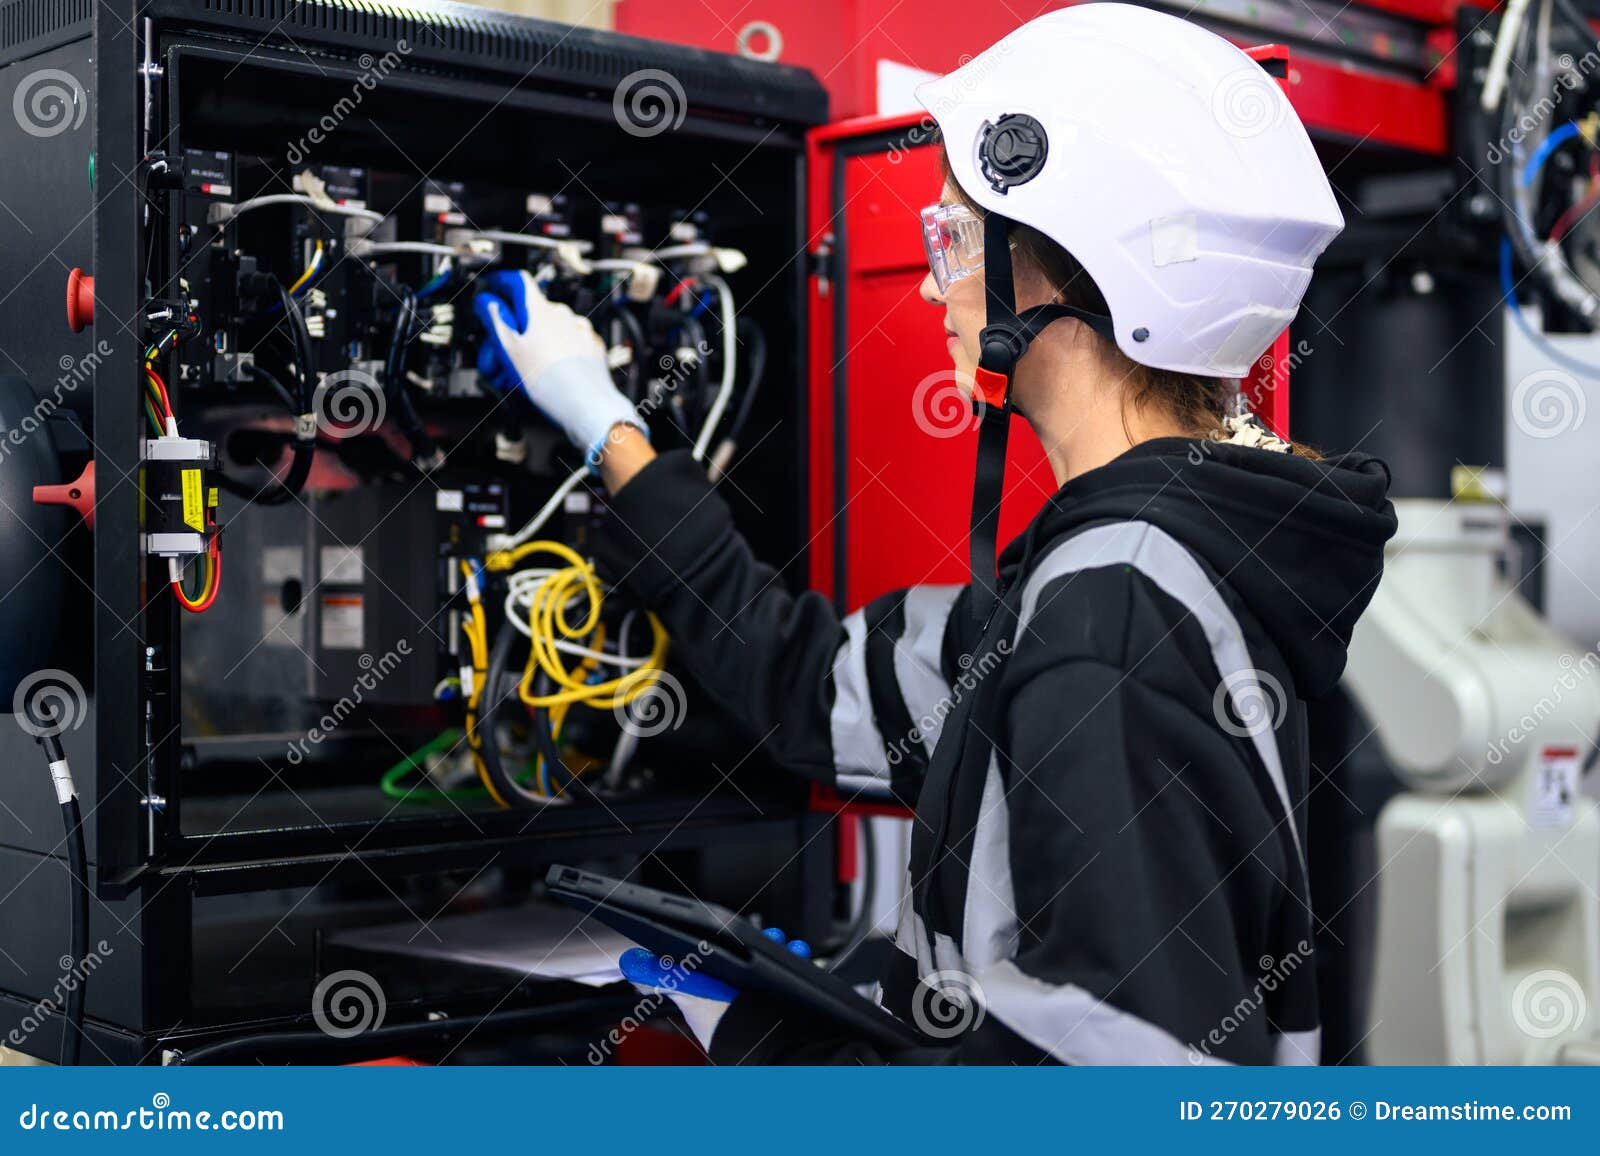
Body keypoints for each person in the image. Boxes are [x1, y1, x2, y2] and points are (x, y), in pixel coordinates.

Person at [474, 4, 1397, 1064]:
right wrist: (610, 431)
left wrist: (765, 1039)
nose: (928, 281)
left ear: (1078, 276)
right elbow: (810, 683)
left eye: (956, 238)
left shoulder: (1113, 622)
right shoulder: (1132, 569)